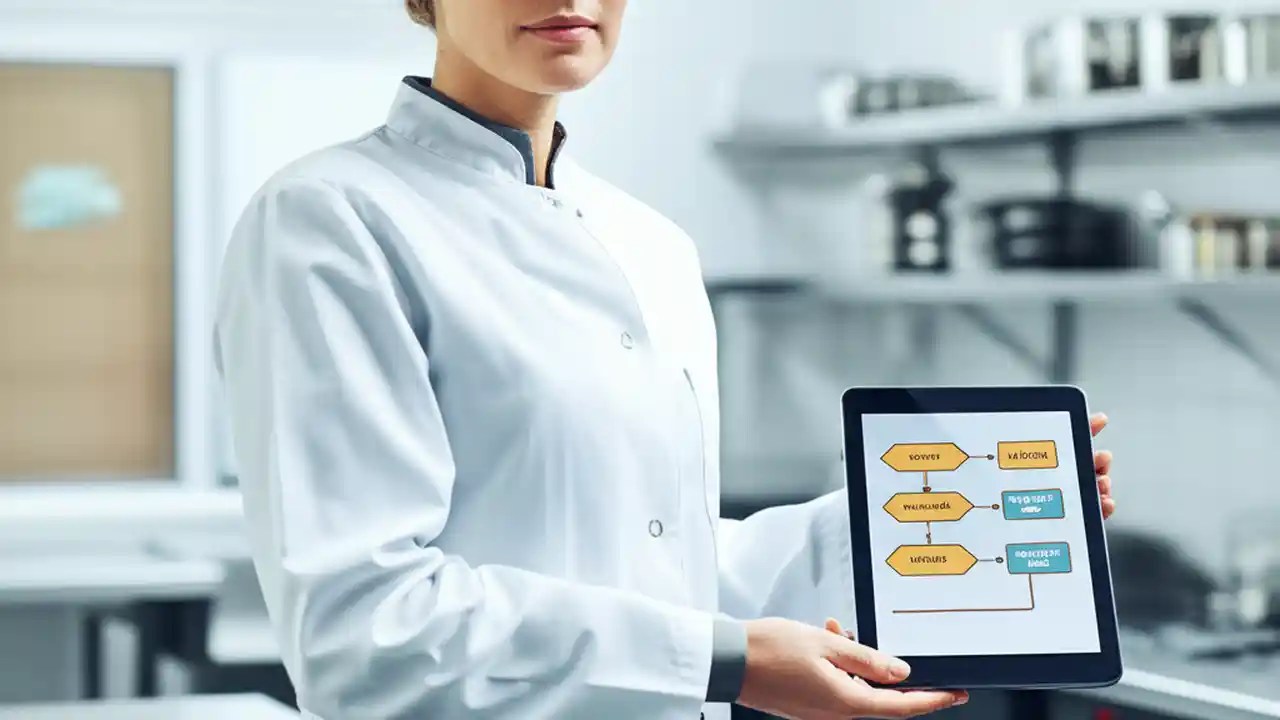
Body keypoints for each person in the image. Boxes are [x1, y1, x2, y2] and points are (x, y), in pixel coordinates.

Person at [213, 1, 1119, 718]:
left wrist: (913, 514)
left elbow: (667, 560)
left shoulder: (650, 244)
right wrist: (728, 661)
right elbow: (363, 630)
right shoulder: (332, 219)